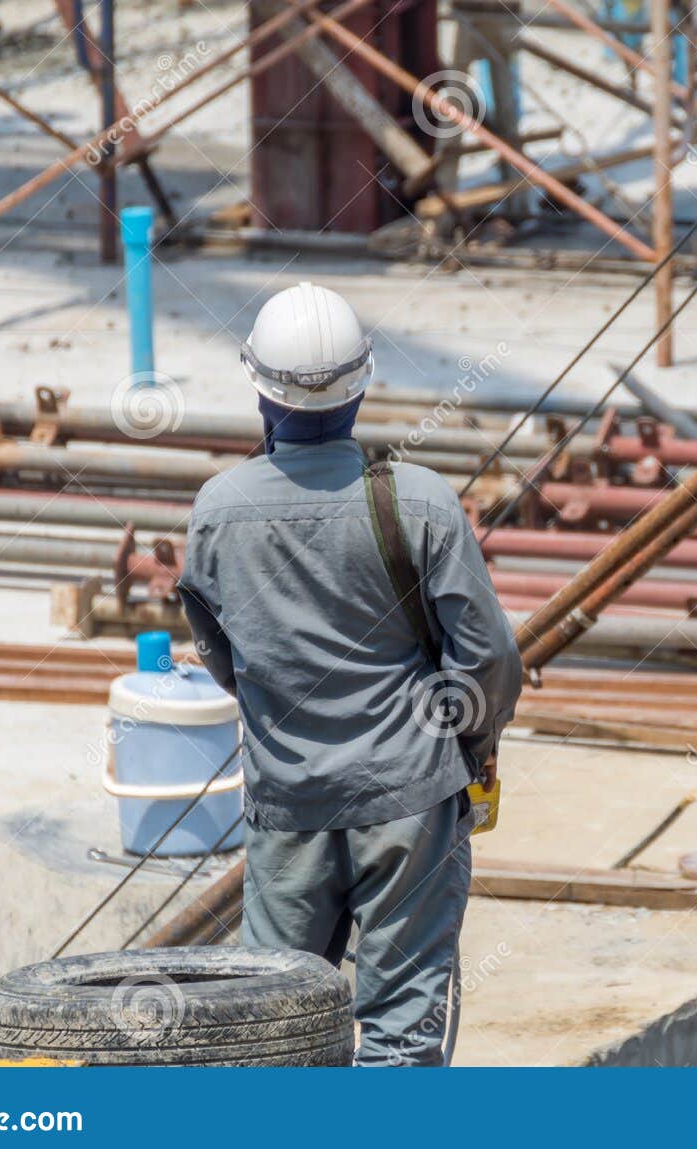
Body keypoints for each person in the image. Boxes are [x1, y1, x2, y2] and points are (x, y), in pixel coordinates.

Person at [177, 282, 521, 1066]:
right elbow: (489, 659)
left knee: (277, 1023)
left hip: (289, 800)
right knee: (402, 1022)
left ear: (259, 388)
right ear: (362, 386)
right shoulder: (420, 502)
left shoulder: (217, 509)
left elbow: (221, 653)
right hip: (409, 802)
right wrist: (465, 741)